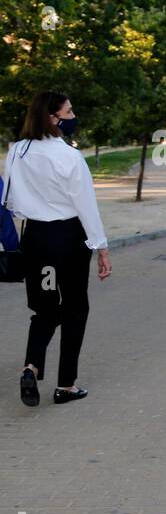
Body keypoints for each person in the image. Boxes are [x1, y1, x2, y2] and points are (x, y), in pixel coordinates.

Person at [4, 91, 112, 407]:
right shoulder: (68, 156)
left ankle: (31, 365)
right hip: (67, 236)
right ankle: (66, 385)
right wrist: (101, 247)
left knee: (45, 307)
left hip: (36, 238)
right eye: (69, 110)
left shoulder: (16, 152)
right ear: (54, 117)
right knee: (75, 309)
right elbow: (86, 206)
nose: (73, 115)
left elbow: (10, 200)